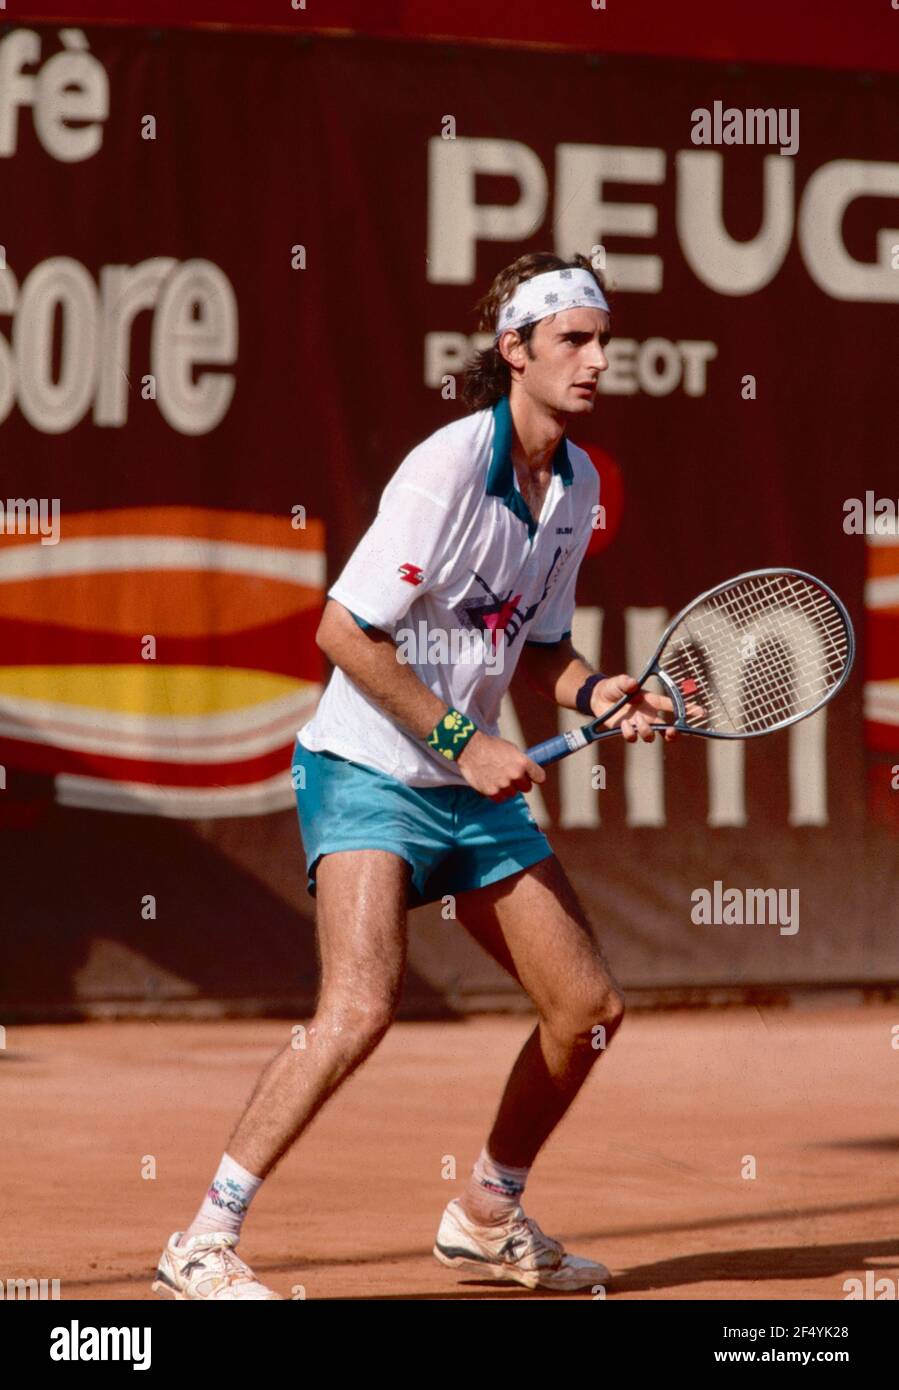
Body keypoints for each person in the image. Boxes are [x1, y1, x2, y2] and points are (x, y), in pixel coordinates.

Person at [152, 250, 680, 1300]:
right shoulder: (443, 468)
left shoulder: (572, 486)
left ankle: (486, 1211)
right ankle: (199, 1241)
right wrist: (460, 740)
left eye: (603, 340)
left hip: (463, 787)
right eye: (572, 339)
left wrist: (597, 693)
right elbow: (343, 631)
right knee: (357, 1007)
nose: (596, 359)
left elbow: (538, 647)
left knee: (586, 1007)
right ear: (513, 349)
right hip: (365, 769)